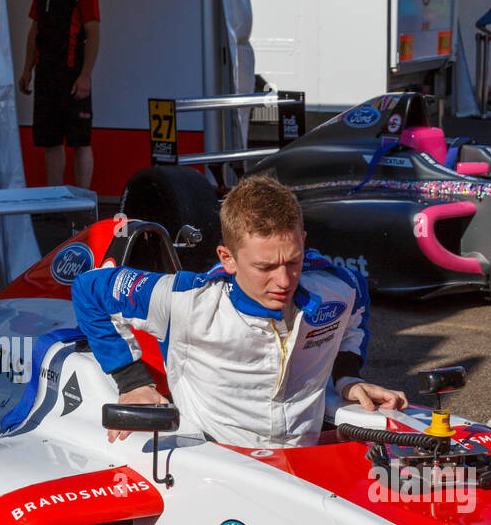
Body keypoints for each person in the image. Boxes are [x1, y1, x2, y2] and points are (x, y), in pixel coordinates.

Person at [71, 175, 407, 446]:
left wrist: (346, 376)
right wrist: (132, 383)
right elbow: (88, 289)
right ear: (227, 258)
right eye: (265, 267)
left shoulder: (335, 287)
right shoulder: (188, 301)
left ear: (303, 241)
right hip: (218, 467)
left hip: (308, 470)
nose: (283, 280)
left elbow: (357, 301)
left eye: (293, 261)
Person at [18, 0, 100, 189]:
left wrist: (85, 76)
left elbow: (93, 33)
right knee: (50, 141)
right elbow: (34, 30)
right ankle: (54, 202)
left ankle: (84, 205)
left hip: (72, 76)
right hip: (45, 75)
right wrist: (26, 69)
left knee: (80, 141)